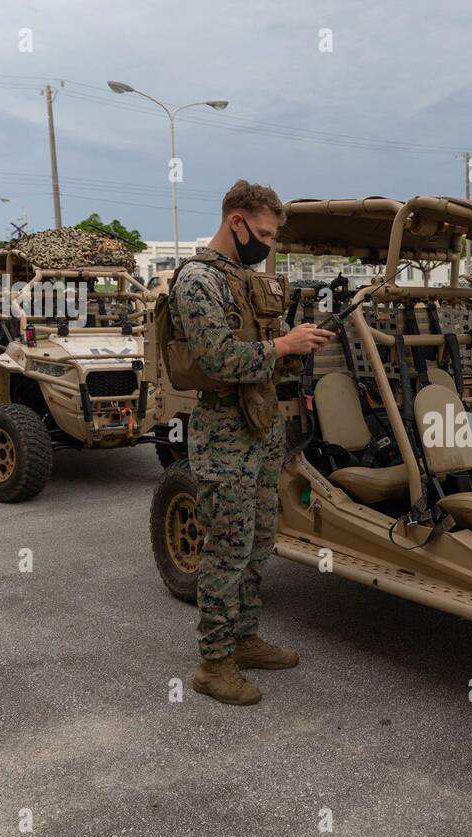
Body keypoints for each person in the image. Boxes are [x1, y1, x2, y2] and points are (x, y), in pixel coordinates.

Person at [170, 180, 335, 706]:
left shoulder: (243, 280)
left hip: (260, 429)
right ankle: (212, 663)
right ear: (235, 222)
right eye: (262, 233)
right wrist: (282, 344)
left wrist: (297, 342)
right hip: (224, 433)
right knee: (226, 549)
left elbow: (262, 348)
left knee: (260, 540)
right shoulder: (197, 280)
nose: (267, 243)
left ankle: (243, 639)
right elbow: (217, 358)